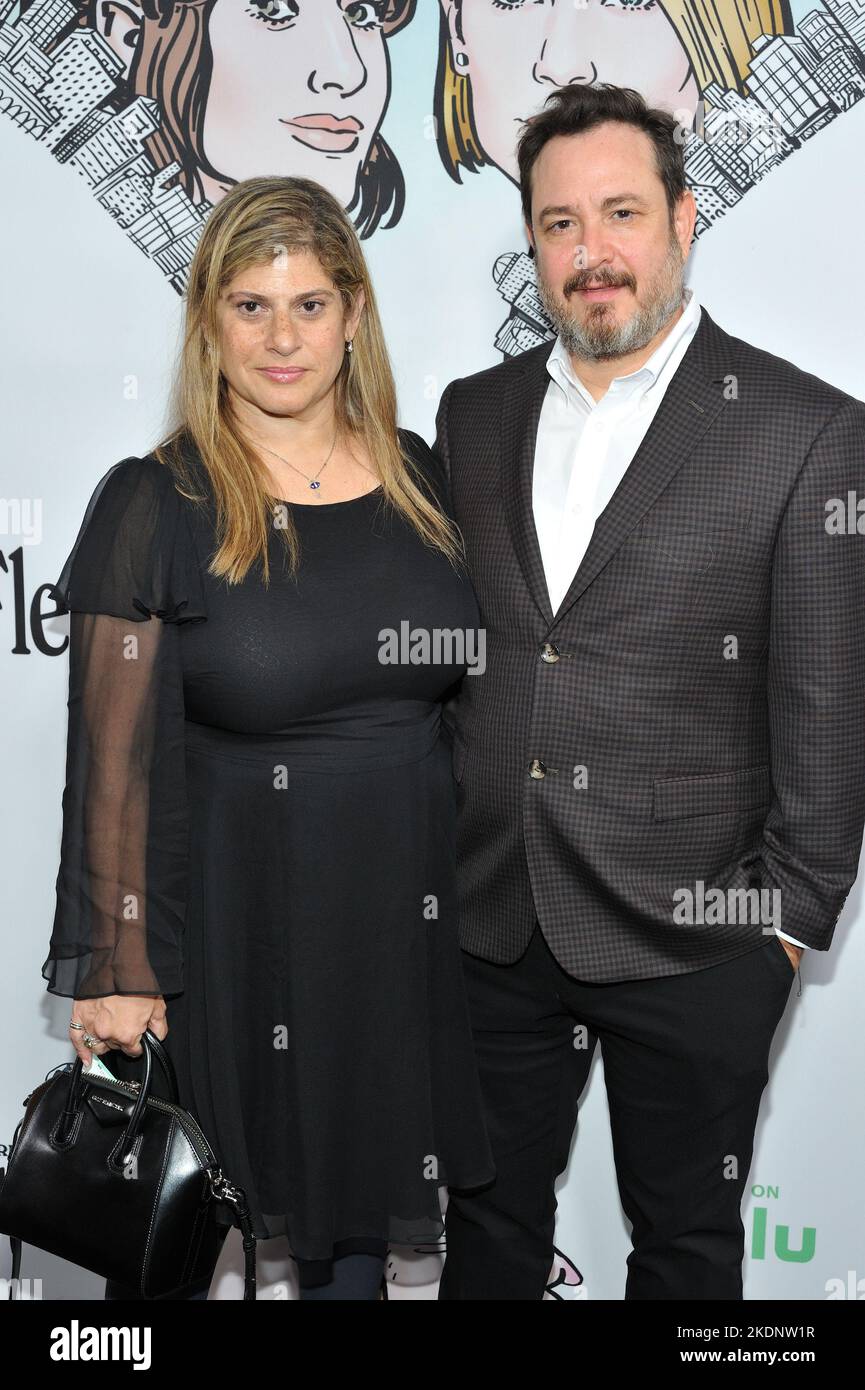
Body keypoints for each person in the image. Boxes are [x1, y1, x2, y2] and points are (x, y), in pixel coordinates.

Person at [433, 82, 865, 1299]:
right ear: (532, 243)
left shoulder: (805, 431)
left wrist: (778, 933)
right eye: (560, 223)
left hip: (699, 941)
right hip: (492, 922)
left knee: (682, 1257)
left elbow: (829, 715)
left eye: (620, 212)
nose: (591, 251)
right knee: (487, 1245)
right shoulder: (473, 416)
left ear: (684, 216)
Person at [43, 173, 494, 1301]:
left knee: (357, 1256)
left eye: (307, 305)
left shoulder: (419, 475)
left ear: (352, 313)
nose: (281, 337)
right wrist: (113, 970)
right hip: (243, 943)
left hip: (398, 942)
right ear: (208, 320)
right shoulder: (155, 500)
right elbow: (108, 768)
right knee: (212, 1251)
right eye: (250, 306)